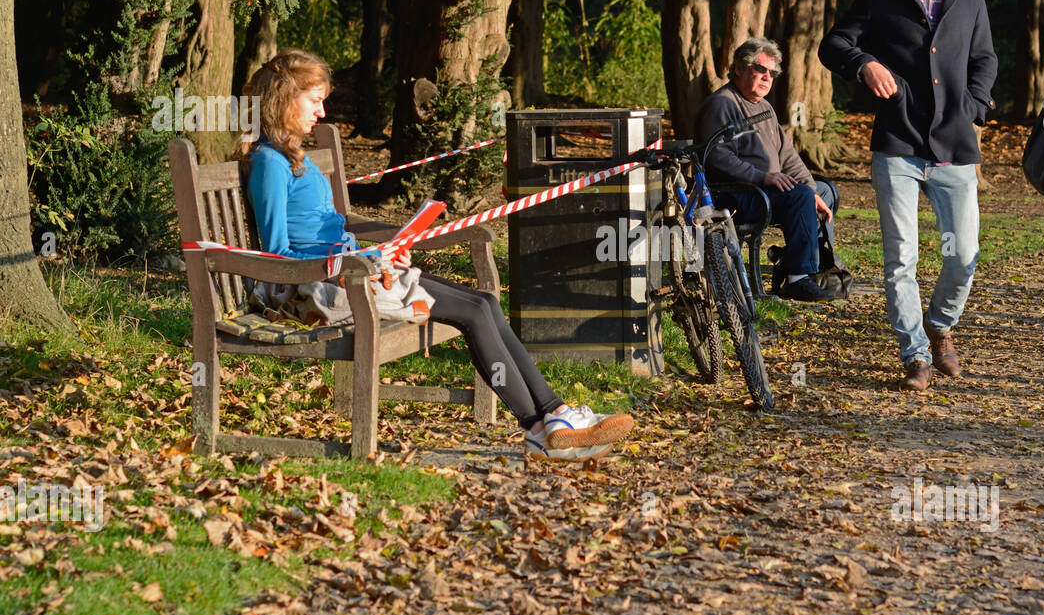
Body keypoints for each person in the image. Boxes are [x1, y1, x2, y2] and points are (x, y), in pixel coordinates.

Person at [237, 49, 634, 462]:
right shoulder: (269, 163)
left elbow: (327, 230)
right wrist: (355, 265)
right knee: (475, 313)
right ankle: (540, 427)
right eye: (314, 100)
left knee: (484, 302)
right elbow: (277, 253)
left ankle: (554, 415)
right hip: (324, 289)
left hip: (353, 270)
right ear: (283, 98)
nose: (322, 111)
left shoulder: (291, 157)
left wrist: (381, 250)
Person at [818, 0, 997, 390]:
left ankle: (940, 326)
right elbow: (833, 44)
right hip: (897, 144)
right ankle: (915, 355)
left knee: (963, 254)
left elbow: (985, 59)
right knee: (902, 258)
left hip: (954, 145)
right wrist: (864, 63)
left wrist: (975, 106)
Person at [695, 37, 840, 302]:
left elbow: (788, 155)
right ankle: (798, 279)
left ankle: (803, 264)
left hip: (766, 188)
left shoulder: (765, 107)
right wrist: (763, 176)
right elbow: (715, 157)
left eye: (772, 73)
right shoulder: (723, 103)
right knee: (800, 197)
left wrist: (811, 189)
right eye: (760, 69)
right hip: (736, 193)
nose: (767, 77)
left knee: (825, 192)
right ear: (739, 68)